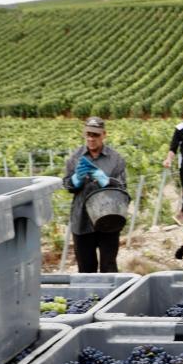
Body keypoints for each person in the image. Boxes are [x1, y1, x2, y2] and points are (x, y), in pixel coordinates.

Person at [62, 117, 128, 273]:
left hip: (109, 218)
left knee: (109, 266)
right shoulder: (75, 157)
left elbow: (123, 188)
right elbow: (66, 184)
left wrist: (107, 181)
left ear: (104, 134)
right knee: (85, 269)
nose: (91, 138)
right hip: (82, 220)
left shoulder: (115, 159)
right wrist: (75, 180)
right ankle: (89, 297)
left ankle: (111, 297)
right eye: (88, 134)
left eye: (95, 135)